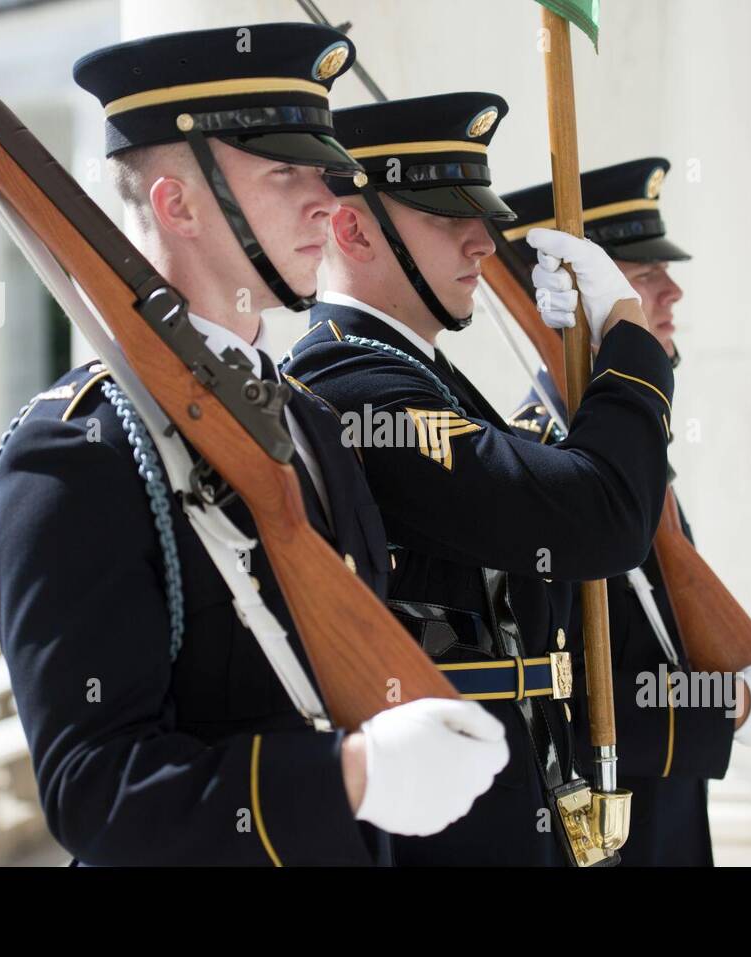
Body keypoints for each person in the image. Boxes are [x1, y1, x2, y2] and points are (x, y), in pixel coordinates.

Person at [0, 24, 508, 867]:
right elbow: (96, 789)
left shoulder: (309, 416)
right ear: (177, 205)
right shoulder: (79, 448)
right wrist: (351, 777)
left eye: (326, 175)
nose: (327, 205)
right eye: (284, 172)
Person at [282, 93, 674, 865]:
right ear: (354, 228)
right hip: (459, 829)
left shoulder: (415, 374)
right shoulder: (356, 383)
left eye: (480, 217)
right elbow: (598, 515)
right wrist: (627, 338)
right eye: (445, 218)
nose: (482, 244)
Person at [500, 160, 751, 865]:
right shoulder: (546, 455)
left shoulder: (621, 448)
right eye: (640, 278)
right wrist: (734, 702)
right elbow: (567, 699)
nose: (671, 291)